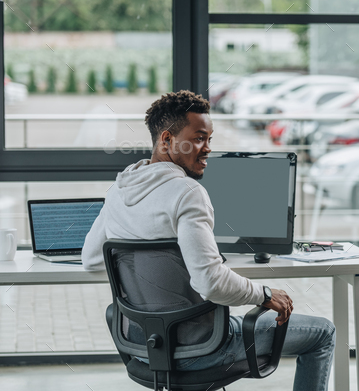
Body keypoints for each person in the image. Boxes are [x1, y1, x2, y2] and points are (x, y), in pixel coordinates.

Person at [82, 90, 335, 391]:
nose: (207, 149)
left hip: (146, 345)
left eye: (210, 139)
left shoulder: (119, 189)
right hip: (204, 348)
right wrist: (265, 294)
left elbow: (92, 259)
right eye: (199, 138)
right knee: (323, 333)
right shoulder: (187, 192)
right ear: (167, 140)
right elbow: (211, 283)